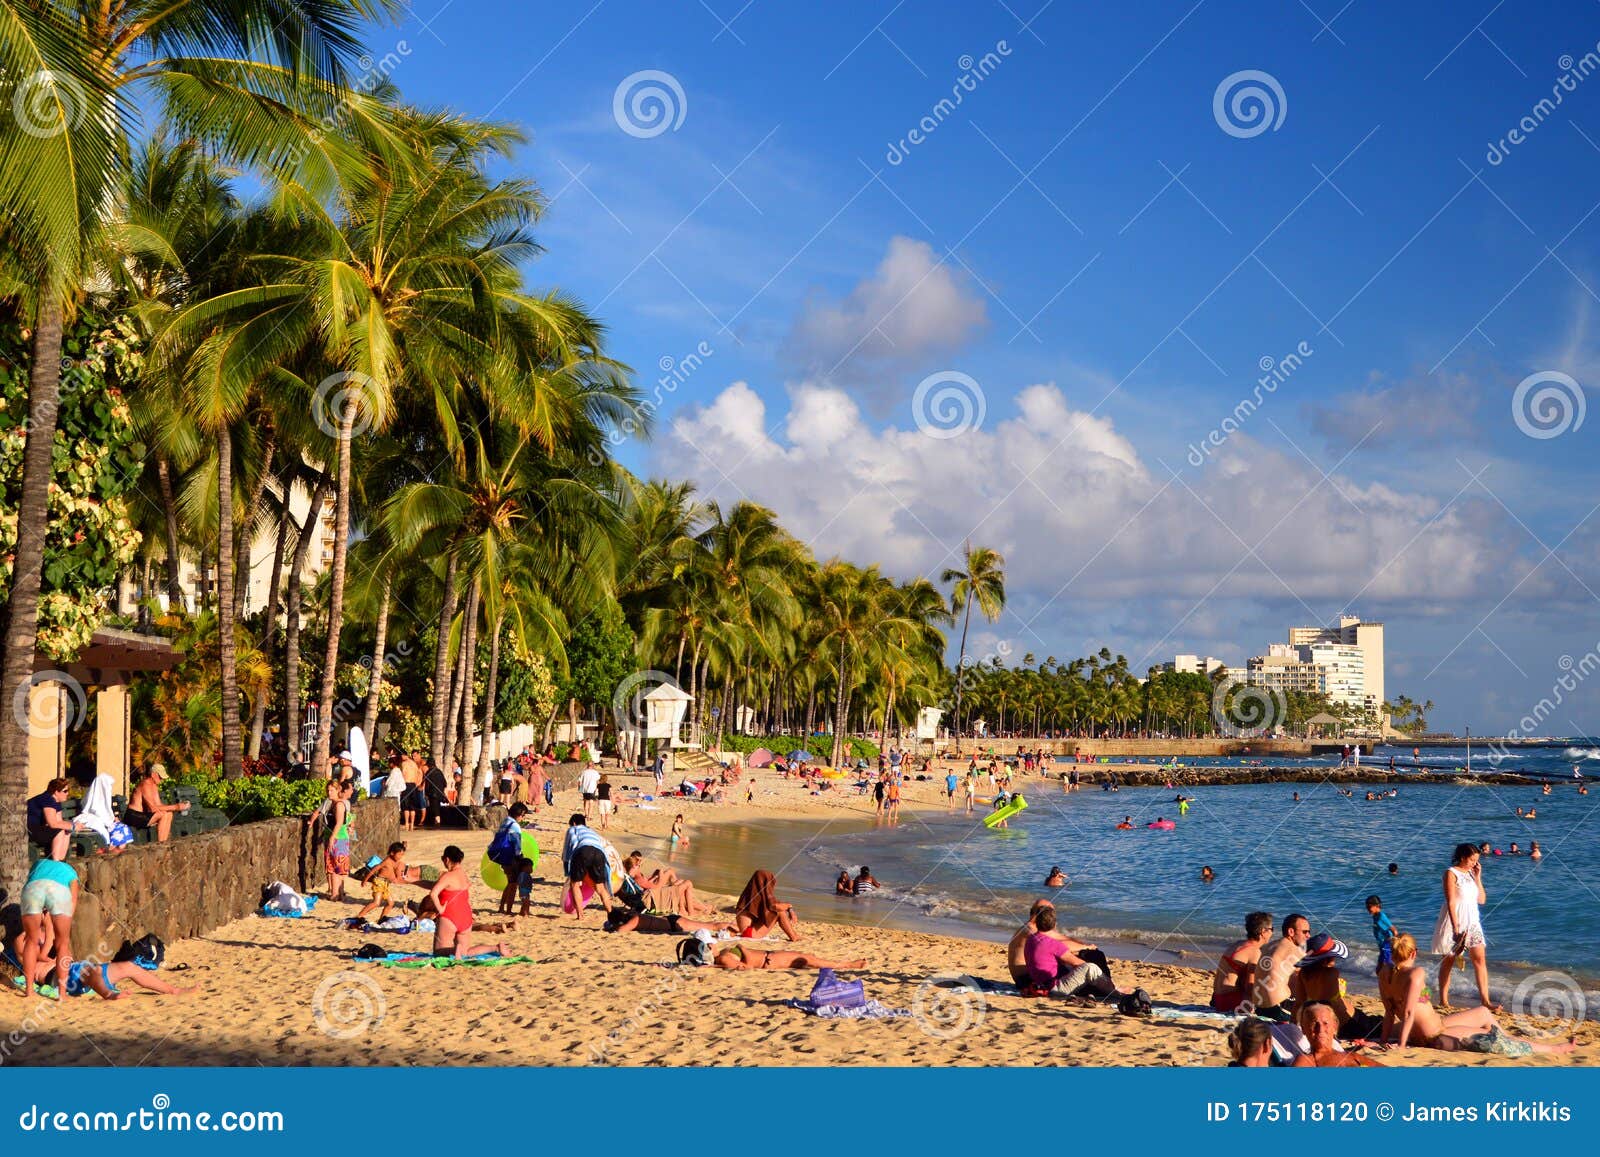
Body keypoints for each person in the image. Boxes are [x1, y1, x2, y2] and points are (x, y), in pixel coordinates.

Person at [1378, 933, 1572, 1054]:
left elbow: (1391, 1012)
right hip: (1435, 1035)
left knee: (1483, 1012)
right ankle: (1556, 1049)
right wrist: (1402, 1046)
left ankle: (1517, 1037)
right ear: (1413, 953)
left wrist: (1384, 1040)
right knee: (1499, 1038)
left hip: (1431, 1028)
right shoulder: (1416, 973)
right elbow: (1410, 1013)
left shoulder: (1384, 974)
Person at [1432, 842, 1495, 1011]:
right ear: (1462, 857)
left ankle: (1485, 1001)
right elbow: (1451, 901)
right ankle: (1443, 1000)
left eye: (1477, 860)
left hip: (1473, 922)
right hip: (1456, 921)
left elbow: (1481, 900)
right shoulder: (1451, 873)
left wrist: (1478, 877)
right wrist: (1455, 928)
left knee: (1480, 959)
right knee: (1448, 961)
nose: (1474, 863)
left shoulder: (1472, 874)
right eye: (1472, 859)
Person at [425, 845, 510, 958]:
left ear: (447, 859)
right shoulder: (464, 875)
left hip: (449, 916)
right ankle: (495, 948)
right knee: (466, 952)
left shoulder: (447, 876)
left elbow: (433, 893)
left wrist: (440, 908)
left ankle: (455, 949)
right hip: (466, 916)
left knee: (439, 952)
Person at [16, 856, 78, 998]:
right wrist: (68, 917)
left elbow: (31, 881)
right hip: (58, 891)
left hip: (33, 889)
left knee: (31, 941)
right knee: (63, 944)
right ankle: (62, 993)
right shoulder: (70, 870)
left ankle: (29, 990)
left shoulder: (38, 862)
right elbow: (73, 898)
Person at [1024, 907, 1116, 1000]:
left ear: (1037, 923)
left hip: (1038, 984)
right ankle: (1116, 993)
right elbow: (1078, 963)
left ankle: (1105, 989)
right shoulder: (1052, 943)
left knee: (1069, 965)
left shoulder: (1031, 939)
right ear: (1055, 924)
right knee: (1090, 968)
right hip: (1054, 989)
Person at [1211, 911, 1272, 1013]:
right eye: (1271, 929)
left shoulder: (1238, 944)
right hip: (1229, 1001)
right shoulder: (1254, 951)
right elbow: (1249, 987)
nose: (1272, 933)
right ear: (1263, 931)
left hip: (1217, 998)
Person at [1254, 913, 1311, 1017]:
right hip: (1279, 1008)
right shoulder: (1295, 950)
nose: (1308, 936)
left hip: (1259, 1007)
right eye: (1305, 932)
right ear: (1291, 932)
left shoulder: (1268, 946)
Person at [561, 814, 615, 921]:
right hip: (599, 854)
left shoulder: (573, 829)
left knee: (575, 885)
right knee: (600, 888)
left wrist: (568, 871)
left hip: (582, 851)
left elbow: (567, 852)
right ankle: (611, 914)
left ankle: (580, 915)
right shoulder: (592, 832)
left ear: (574, 823)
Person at [123, 764, 192, 845]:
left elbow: (159, 805)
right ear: (153, 774)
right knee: (163, 814)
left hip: (144, 815)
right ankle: (160, 845)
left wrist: (178, 807)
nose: (162, 779)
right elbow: (153, 808)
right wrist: (176, 807)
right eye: (160, 777)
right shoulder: (145, 785)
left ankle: (163, 843)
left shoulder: (154, 786)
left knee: (169, 814)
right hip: (133, 816)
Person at [1290, 1003, 1363, 1067]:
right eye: (1314, 1024)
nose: (1320, 1029)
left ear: (1335, 1026)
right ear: (1303, 1029)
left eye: (1325, 1023)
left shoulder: (1353, 1056)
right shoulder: (1305, 1061)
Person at [733, 869, 799, 940]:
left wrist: (790, 909)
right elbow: (774, 906)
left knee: (777, 909)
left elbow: (776, 902)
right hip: (749, 933)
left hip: (748, 931)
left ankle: (794, 936)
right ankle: (794, 936)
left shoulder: (749, 895)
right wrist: (789, 907)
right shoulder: (756, 896)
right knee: (779, 912)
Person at [357, 842, 412, 923]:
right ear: (392, 853)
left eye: (402, 855)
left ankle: (381, 919)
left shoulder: (396, 861)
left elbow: (397, 872)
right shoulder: (387, 861)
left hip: (385, 884)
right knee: (376, 903)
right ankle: (359, 916)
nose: (401, 857)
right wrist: (365, 880)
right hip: (379, 882)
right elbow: (375, 869)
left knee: (391, 903)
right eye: (399, 854)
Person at [25, 778, 79, 859]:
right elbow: (53, 823)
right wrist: (74, 826)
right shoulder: (47, 799)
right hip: (29, 830)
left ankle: (60, 861)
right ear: (56, 792)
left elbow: (59, 821)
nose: (67, 794)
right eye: (65, 791)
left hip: (39, 829)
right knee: (60, 831)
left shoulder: (55, 801)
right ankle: (55, 862)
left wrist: (71, 827)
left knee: (67, 831)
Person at [323, 780, 353, 901]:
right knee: (337, 867)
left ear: (338, 790)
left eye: (332, 790)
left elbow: (340, 822)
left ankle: (335, 894)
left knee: (335, 867)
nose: (329, 793)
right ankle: (339, 893)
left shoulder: (339, 805)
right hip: (338, 837)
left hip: (338, 838)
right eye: (328, 790)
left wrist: (332, 837)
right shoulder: (333, 803)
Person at [603, 907, 734, 935]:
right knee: (710, 926)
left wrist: (611, 928)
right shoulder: (633, 916)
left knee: (712, 926)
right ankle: (736, 928)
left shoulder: (634, 920)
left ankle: (737, 926)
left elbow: (621, 931)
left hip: (674, 924)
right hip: (671, 921)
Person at [1367, 894, 1396, 969]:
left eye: (1369, 907)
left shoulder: (1381, 916)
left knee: (1387, 964)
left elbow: (1394, 930)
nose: (1367, 908)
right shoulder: (1375, 916)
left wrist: (1395, 943)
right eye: (1366, 906)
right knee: (1379, 967)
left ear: (1377, 905)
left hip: (1387, 944)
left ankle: (1393, 978)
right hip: (1382, 944)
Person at [423, 762, 448, 826]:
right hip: (440, 792)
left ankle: (437, 822)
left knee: (435, 808)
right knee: (437, 807)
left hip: (432, 793)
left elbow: (427, 784)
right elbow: (445, 783)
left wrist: (426, 793)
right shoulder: (439, 772)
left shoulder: (429, 772)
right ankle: (436, 821)